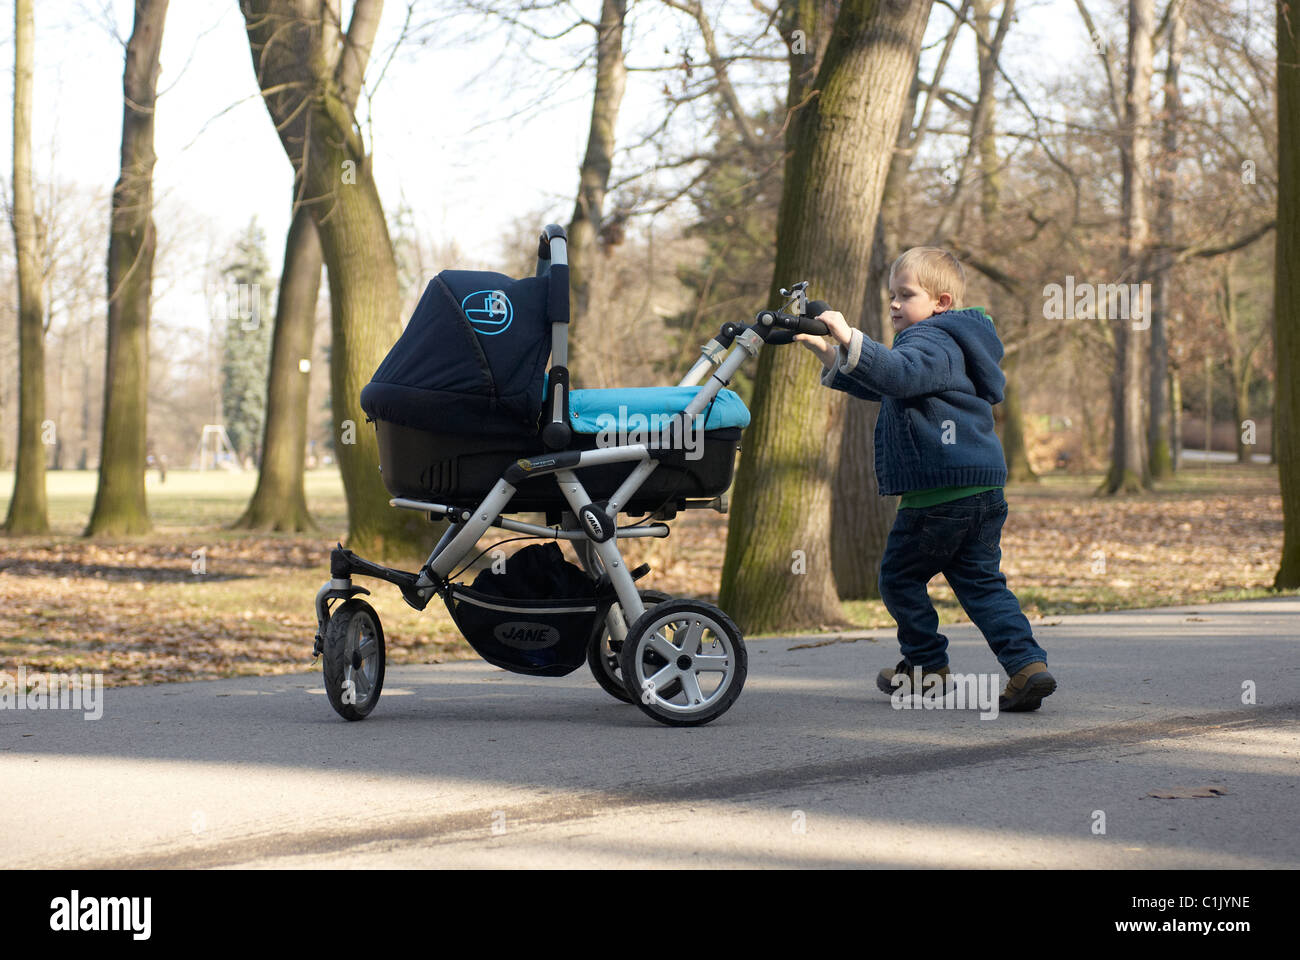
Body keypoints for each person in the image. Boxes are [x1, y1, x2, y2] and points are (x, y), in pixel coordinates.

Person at [796, 246, 1056, 712]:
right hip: (981, 492)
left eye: (905, 295)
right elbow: (895, 385)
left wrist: (850, 335)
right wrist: (831, 354)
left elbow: (897, 374)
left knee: (899, 578)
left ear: (942, 302)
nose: (894, 304)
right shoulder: (959, 343)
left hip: (937, 496)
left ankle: (924, 668)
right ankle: (1027, 666)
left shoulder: (930, 339)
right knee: (981, 584)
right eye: (891, 295)